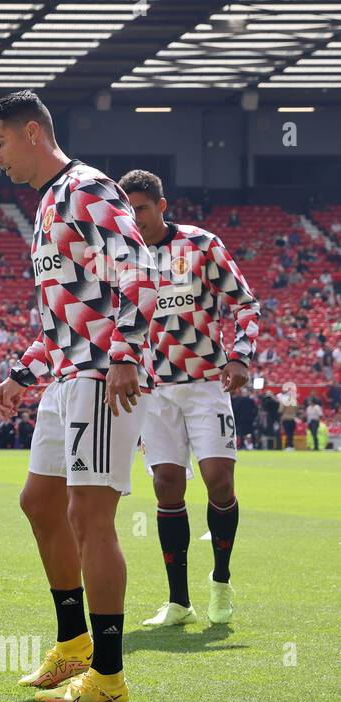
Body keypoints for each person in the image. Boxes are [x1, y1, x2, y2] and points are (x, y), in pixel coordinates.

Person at [0, 90, 156, 702]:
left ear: (33, 133)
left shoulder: (89, 188)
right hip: (66, 375)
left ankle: (109, 677)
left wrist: (128, 356)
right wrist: (20, 374)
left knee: (90, 518)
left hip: (101, 377)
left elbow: (140, 274)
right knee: (39, 502)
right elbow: (66, 319)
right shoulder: (48, 203)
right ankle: (74, 644)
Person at [119, 170, 260, 628]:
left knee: (218, 480)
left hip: (205, 385)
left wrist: (240, 356)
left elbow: (245, 303)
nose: (135, 217)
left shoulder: (201, 244)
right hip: (153, 390)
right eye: (128, 209)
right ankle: (178, 601)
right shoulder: (120, 254)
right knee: (166, 487)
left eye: (141, 207)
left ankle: (220, 581)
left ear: (163, 205)